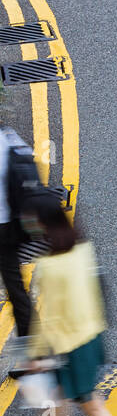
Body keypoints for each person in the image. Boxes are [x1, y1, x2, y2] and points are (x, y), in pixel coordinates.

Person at [10, 197, 117, 416]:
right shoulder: (81, 248)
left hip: (72, 345)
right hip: (91, 335)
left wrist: (36, 355)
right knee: (57, 393)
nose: (28, 224)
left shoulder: (51, 265)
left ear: (42, 224)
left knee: (91, 404)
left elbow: (48, 317)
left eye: (31, 220)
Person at [0, 119, 38, 339]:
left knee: (15, 289)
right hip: (12, 224)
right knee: (16, 290)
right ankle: (33, 349)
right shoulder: (8, 134)